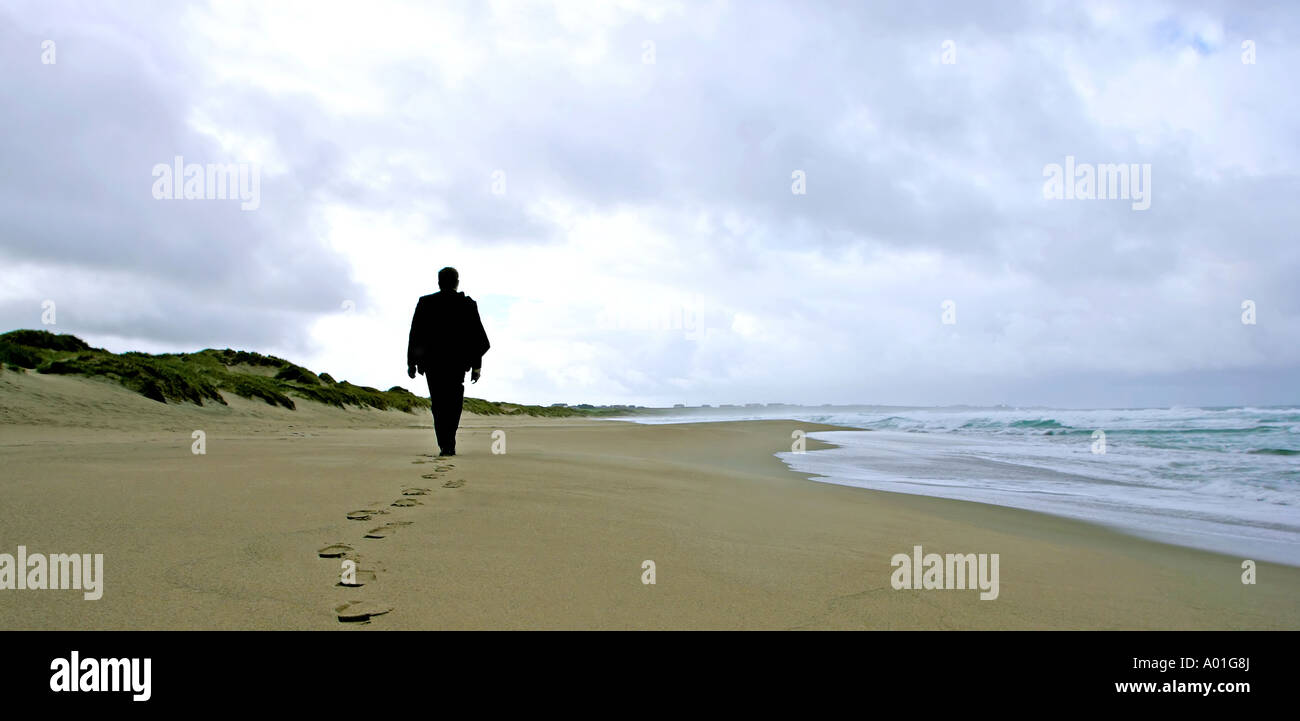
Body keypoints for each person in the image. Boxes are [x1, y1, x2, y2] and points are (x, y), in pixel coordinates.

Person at [406, 267, 490, 457]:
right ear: (457, 282)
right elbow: (477, 338)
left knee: (438, 404)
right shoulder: (467, 304)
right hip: (456, 364)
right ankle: (449, 442)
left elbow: (415, 334)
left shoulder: (426, 303)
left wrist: (411, 362)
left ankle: (445, 444)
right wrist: (476, 366)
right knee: (453, 403)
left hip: (432, 363)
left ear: (439, 282)